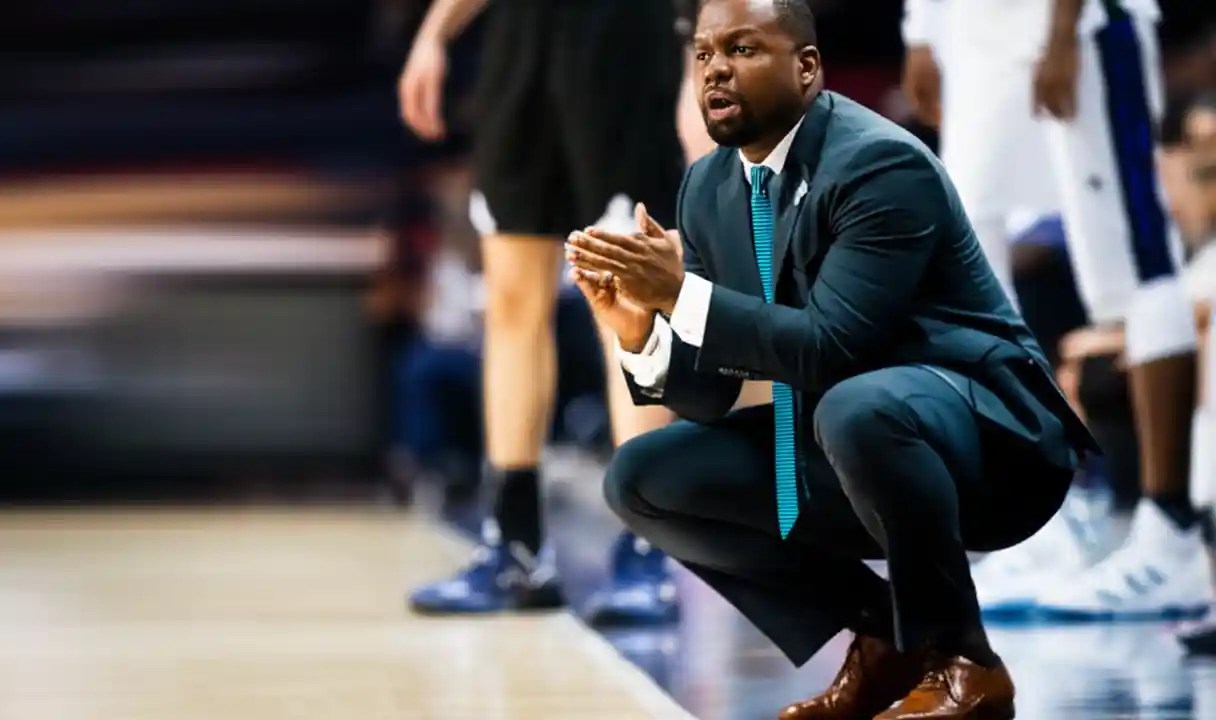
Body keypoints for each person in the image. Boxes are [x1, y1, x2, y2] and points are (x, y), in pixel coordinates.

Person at [564, 0, 1096, 716]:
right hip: (852, 439)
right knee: (643, 476)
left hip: (991, 441)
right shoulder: (709, 186)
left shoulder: (878, 163)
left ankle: (965, 659)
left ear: (807, 68)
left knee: (856, 406)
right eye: (705, 54)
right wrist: (642, 328)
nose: (717, 69)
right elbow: (707, 398)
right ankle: (891, 636)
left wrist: (683, 293)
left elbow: (832, 345)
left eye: (744, 50)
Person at [901, 0, 1210, 619]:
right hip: (978, 29)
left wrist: (1065, 26)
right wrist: (924, 32)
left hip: (1079, 20)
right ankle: (1046, 522)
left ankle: (1170, 535)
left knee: (1138, 259)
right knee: (972, 252)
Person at [395, 0, 685, 625]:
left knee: (625, 295)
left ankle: (648, 548)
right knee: (509, 298)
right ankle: (514, 546)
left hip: (626, 42)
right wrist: (435, 33)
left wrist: (704, 54)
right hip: (521, 46)